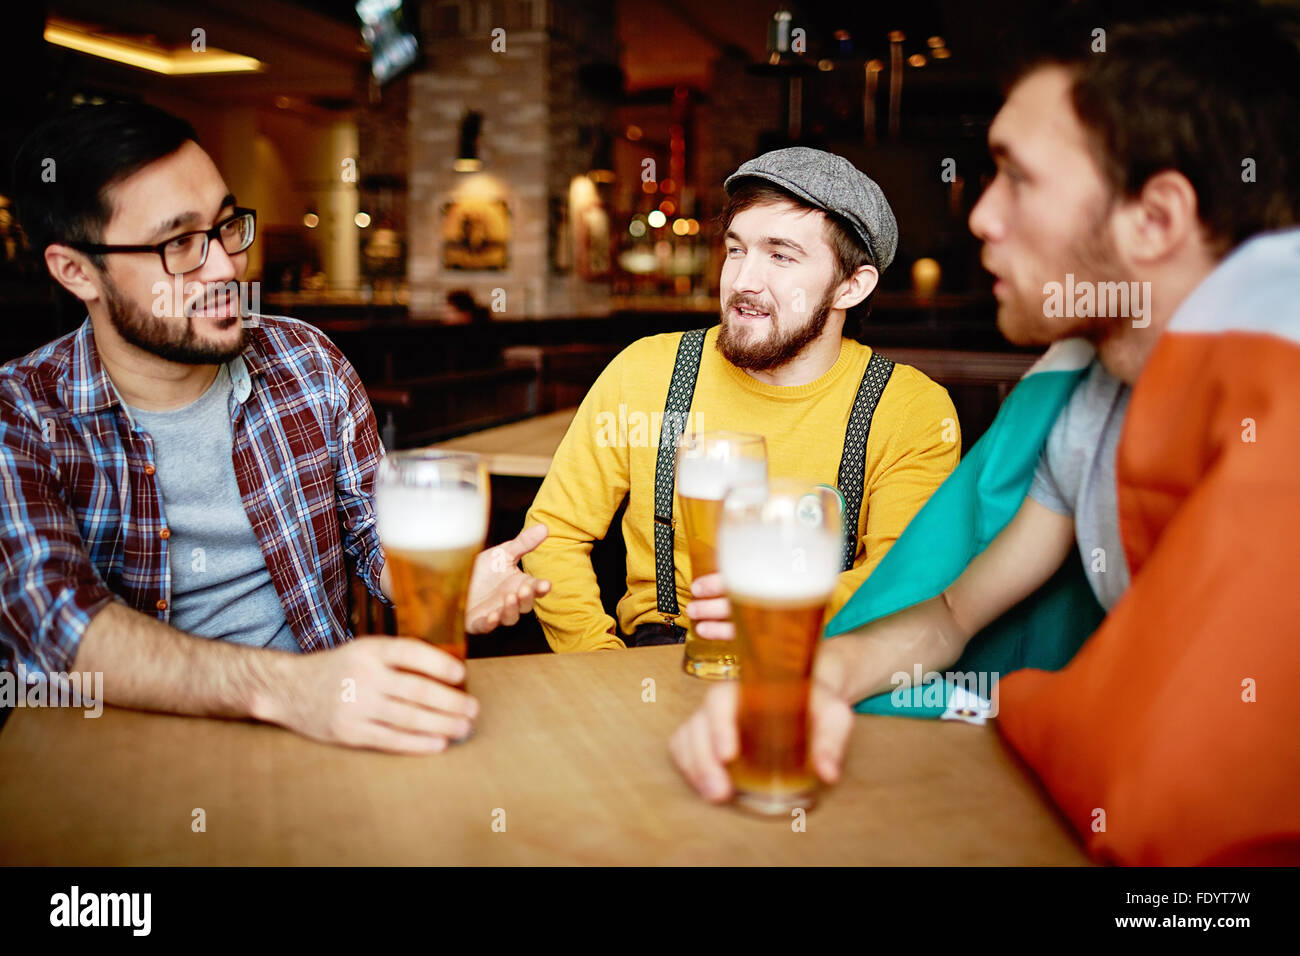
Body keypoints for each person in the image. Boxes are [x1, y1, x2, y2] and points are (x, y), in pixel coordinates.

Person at [671, 2, 1300, 864]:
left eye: (1018, 178)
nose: (979, 216)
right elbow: (951, 615)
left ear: (1155, 219)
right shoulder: (1090, 399)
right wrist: (820, 679)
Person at [0, 101, 550, 752]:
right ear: (76, 271)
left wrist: (444, 583)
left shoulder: (306, 361)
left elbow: (374, 537)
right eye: (179, 244)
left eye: (227, 225)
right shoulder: (23, 414)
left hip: (331, 731)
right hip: (125, 756)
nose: (226, 267)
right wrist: (291, 689)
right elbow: (57, 624)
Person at [522, 147, 960, 652]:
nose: (743, 281)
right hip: (661, 655)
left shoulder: (909, 409)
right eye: (736, 250)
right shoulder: (645, 371)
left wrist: (778, 612)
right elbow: (553, 536)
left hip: (820, 660)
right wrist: (599, 662)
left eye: (780, 256)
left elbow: (905, 578)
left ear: (851, 286)